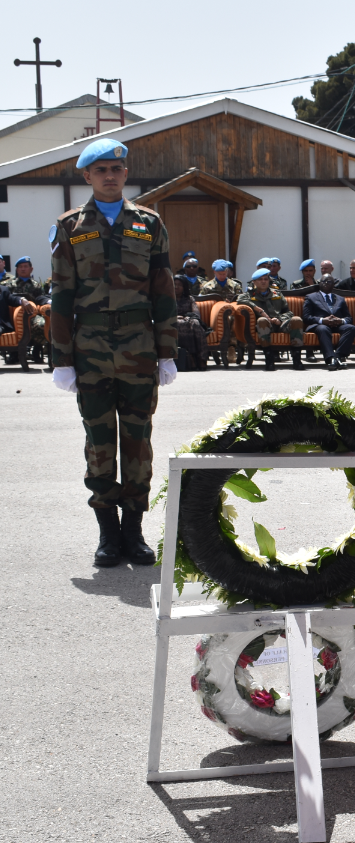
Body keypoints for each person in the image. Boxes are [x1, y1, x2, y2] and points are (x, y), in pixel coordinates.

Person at [49, 137, 176, 567]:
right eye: (100, 170)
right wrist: (62, 359)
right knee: (99, 442)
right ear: (87, 176)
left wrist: (167, 351)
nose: (109, 176)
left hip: (139, 347)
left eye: (116, 169)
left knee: (138, 442)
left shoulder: (149, 223)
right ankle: (107, 534)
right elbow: (61, 294)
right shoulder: (70, 226)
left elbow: (163, 289)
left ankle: (134, 532)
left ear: (125, 174)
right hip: (90, 350)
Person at [238, 267, 305, 371]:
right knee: (261, 321)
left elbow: (288, 312)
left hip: (280, 323)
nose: (263, 281)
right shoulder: (250, 295)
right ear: (254, 282)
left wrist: (280, 320)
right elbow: (240, 300)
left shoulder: (277, 294)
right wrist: (257, 308)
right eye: (260, 279)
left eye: (266, 279)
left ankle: (297, 360)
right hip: (265, 325)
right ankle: (269, 360)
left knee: (297, 320)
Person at [198, 259, 253, 366]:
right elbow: (202, 304)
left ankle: (231, 347)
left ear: (227, 271)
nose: (222, 276)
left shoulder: (235, 285)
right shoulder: (207, 287)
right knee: (225, 318)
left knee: (231, 318)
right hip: (214, 316)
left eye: (224, 273)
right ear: (214, 272)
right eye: (220, 274)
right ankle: (227, 346)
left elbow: (241, 300)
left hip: (232, 314)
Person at [302, 273, 355, 370]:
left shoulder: (340, 299)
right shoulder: (311, 297)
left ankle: (337, 356)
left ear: (333, 284)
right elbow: (306, 317)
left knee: (351, 328)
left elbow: (349, 318)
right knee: (323, 329)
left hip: (337, 325)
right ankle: (330, 359)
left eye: (329, 281)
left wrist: (340, 320)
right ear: (319, 283)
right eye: (324, 281)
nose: (326, 283)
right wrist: (322, 320)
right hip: (320, 325)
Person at [9, 256, 50, 360]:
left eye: (25, 266)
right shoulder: (10, 285)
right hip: (13, 317)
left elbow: (41, 299)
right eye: (20, 267)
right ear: (17, 270)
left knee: (42, 324)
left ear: (31, 269)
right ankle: (13, 353)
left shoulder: (36, 286)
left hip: (33, 316)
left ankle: (37, 348)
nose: (23, 269)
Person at [173, 275, 209, 370]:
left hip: (188, 320)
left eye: (179, 285)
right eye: (174, 284)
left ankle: (201, 359)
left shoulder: (189, 299)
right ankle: (191, 357)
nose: (176, 287)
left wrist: (187, 317)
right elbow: (163, 313)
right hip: (173, 321)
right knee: (179, 324)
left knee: (196, 323)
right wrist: (176, 317)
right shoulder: (168, 299)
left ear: (184, 286)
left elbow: (196, 314)